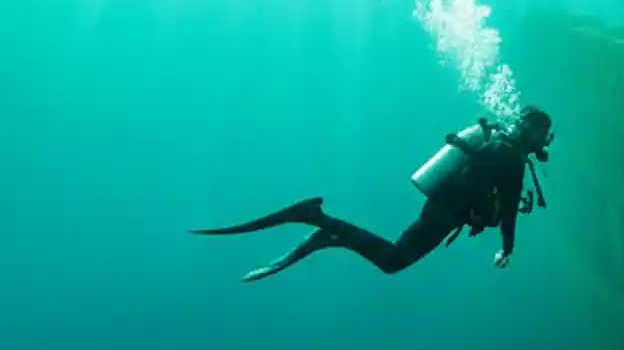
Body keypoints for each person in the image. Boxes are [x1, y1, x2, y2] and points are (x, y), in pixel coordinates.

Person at [192, 105, 554, 282]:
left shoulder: (499, 147)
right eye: (543, 134)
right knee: (394, 261)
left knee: (394, 259)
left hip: (441, 207)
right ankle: (318, 220)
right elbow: (507, 208)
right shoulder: (511, 159)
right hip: (445, 213)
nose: (543, 142)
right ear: (534, 132)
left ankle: (328, 233)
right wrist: (508, 247)